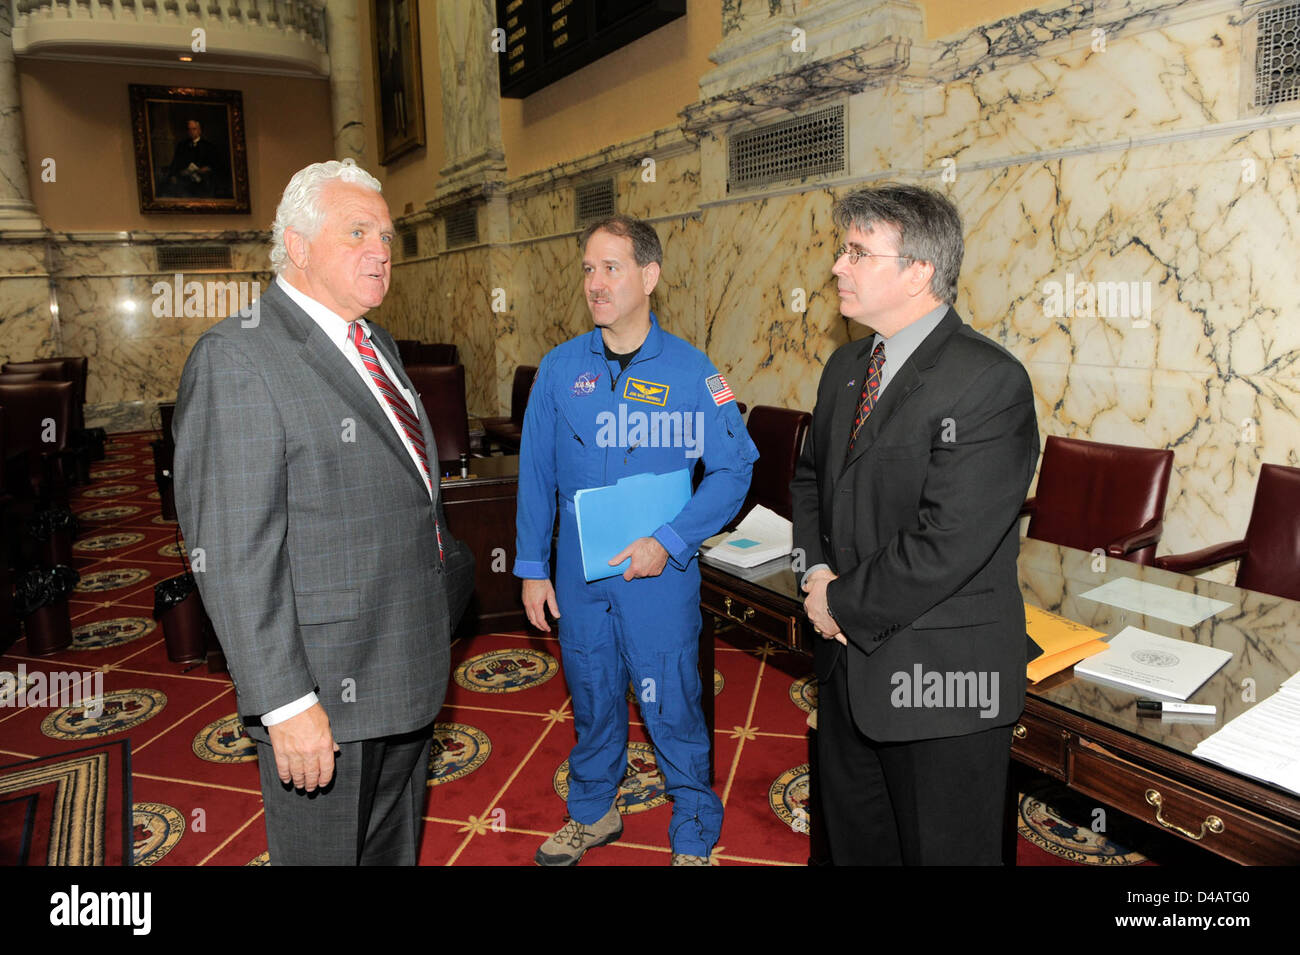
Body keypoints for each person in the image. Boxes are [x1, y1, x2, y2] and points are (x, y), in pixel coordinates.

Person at [173, 158, 472, 865]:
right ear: (298, 246)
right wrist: (284, 703)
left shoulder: (377, 343)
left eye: (388, 236)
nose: (381, 250)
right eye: (358, 232)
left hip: (405, 673)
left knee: (388, 853)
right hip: (324, 698)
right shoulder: (239, 357)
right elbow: (236, 553)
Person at [790, 183, 1039, 865]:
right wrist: (814, 572)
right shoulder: (846, 366)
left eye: (857, 252)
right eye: (843, 251)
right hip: (845, 667)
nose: (838, 266)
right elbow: (810, 478)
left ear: (919, 271)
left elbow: (947, 540)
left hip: (942, 686)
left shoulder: (989, 382)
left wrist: (839, 601)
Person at [515, 214, 757, 866]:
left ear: (648, 276)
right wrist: (533, 566)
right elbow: (535, 472)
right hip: (580, 575)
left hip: (661, 575)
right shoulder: (561, 370)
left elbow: (734, 468)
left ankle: (694, 831)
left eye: (611, 267)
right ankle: (593, 813)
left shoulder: (692, 370)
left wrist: (672, 537)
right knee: (591, 697)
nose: (596, 282)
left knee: (671, 702)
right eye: (589, 269)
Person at [162, 119, 225, 198]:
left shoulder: (208, 146)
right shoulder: (181, 146)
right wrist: (174, 175)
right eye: (189, 129)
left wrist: (206, 168)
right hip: (185, 181)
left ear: (199, 131)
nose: (191, 131)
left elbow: (216, 164)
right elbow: (175, 163)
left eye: (194, 129)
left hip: (203, 181)